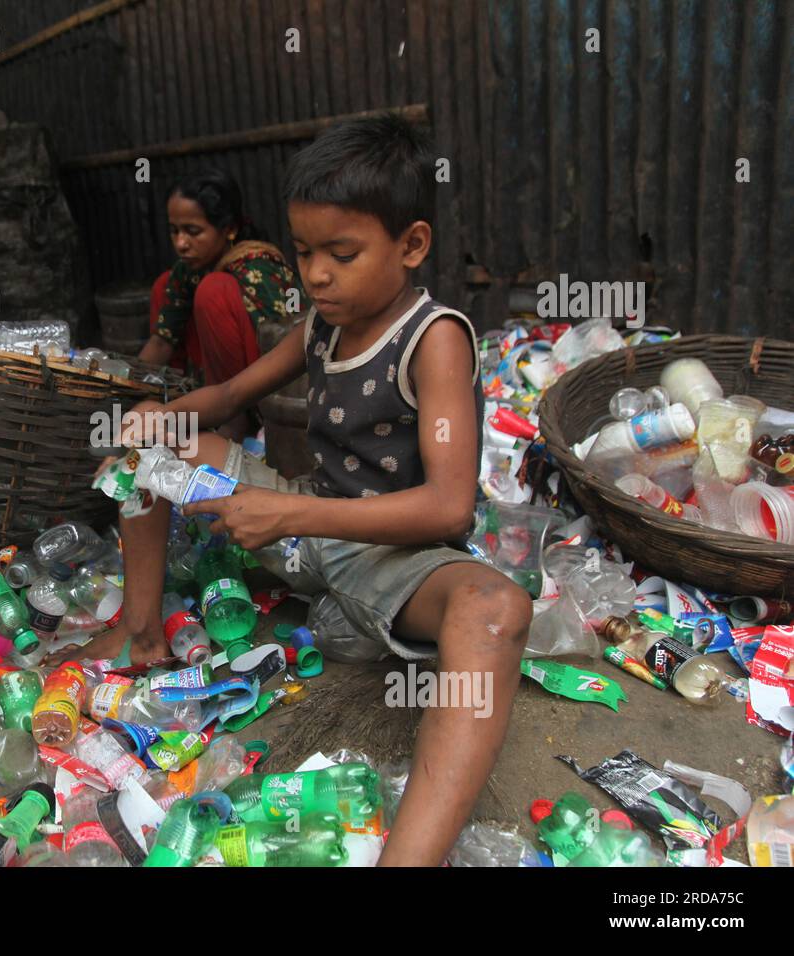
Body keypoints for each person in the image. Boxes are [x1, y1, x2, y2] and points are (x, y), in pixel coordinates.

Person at [65, 114, 533, 867]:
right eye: (305, 251)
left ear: (411, 245)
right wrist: (158, 416)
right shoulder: (321, 323)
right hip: (306, 538)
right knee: (150, 442)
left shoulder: (434, 337)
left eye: (341, 254)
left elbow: (449, 508)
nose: (316, 274)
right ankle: (144, 628)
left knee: (496, 610)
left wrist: (286, 509)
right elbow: (229, 395)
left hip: (396, 562)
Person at [139, 169, 296, 441]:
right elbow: (162, 342)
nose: (181, 243)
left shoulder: (258, 268)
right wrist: (123, 387)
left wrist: (228, 402)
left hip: (257, 387)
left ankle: (235, 423)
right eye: (174, 231)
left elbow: (283, 346)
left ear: (230, 229)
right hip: (210, 383)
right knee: (164, 284)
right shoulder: (187, 272)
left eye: (193, 231)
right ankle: (175, 397)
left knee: (213, 290)